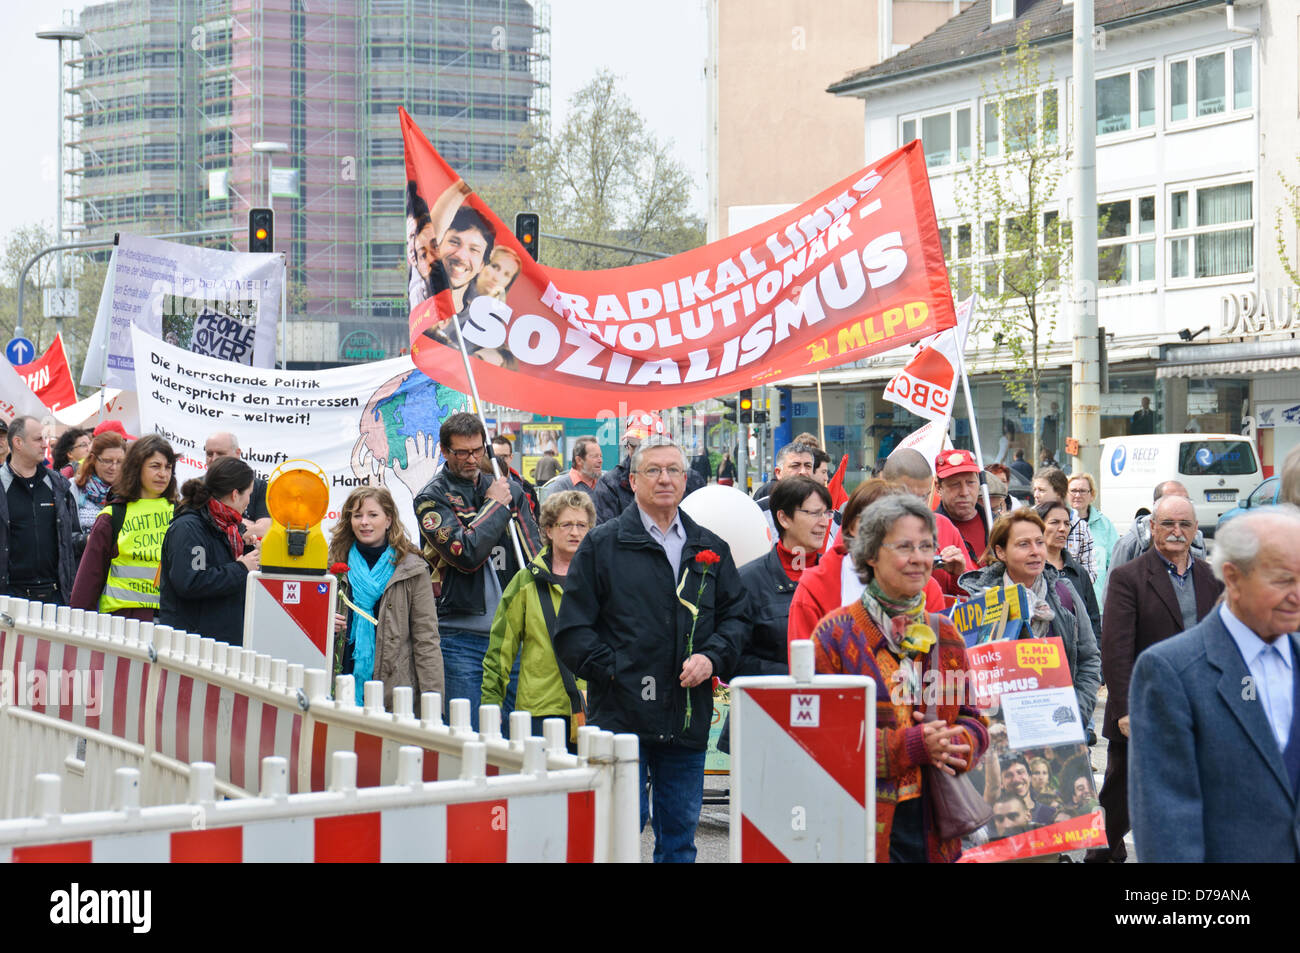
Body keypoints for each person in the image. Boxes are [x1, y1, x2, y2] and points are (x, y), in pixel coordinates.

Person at [554, 436, 747, 863]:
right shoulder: (602, 546)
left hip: (686, 717)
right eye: (653, 470)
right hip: (621, 716)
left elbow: (737, 619)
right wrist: (616, 671)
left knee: (679, 839)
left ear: (685, 480)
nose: (664, 479)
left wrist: (711, 657)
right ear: (633, 480)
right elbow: (572, 632)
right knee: (618, 835)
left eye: (673, 470)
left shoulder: (709, 548)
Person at [811, 495, 989, 862]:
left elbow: (974, 720)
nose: (920, 558)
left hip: (935, 827)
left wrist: (955, 743)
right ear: (870, 555)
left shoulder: (945, 634)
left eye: (926, 546)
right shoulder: (834, 636)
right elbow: (822, 744)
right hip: (860, 828)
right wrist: (912, 745)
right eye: (905, 547)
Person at [1129, 506, 1300, 862]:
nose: (1297, 594)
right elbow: (1167, 826)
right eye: (1283, 579)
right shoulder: (1171, 671)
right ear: (1233, 579)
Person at [1090, 493, 1223, 863]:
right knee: (1122, 795)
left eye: (1185, 524)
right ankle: (1099, 855)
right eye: (1168, 524)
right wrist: (1124, 711)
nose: (1176, 531)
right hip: (1142, 709)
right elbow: (1116, 649)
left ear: (1195, 531)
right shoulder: (1128, 577)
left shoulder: (1212, 578)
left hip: (1197, 708)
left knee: (1194, 793)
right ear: (1152, 527)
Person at [413, 413, 541, 729]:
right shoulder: (431, 498)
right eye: (462, 452)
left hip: (512, 633)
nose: (471, 459)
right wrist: (495, 506)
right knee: (467, 733)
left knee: (518, 735)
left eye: (477, 450)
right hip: (460, 637)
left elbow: (534, 556)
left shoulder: (510, 490)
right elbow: (466, 553)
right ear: (445, 451)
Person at [959, 510, 1102, 732]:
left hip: (1060, 726)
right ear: (1001, 552)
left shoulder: (1064, 593)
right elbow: (968, 672)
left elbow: (1089, 659)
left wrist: (1076, 714)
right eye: (1023, 544)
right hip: (1001, 732)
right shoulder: (981, 601)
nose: (1035, 551)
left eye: (1039, 542)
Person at [483, 490, 594, 745]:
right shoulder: (525, 582)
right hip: (540, 711)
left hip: (593, 709)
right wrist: (491, 702)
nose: (575, 532)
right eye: (566, 524)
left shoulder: (602, 580)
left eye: (582, 525)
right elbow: (500, 651)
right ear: (549, 530)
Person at [787, 479, 946, 647]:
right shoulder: (815, 587)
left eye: (926, 546)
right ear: (853, 527)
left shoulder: (927, 588)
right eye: (875, 523)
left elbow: (942, 657)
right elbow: (804, 658)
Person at [329, 486, 442, 710]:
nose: (364, 522)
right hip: (340, 683)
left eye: (373, 515)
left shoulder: (412, 568)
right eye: (357, 515)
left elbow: (426, 638)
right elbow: (308, 623)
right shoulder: (331, 564)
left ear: (388, 520)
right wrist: (323, 623)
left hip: (394, 690)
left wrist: (433, 701)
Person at [70, 434, 178, 620]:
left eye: (168, 467)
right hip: (121, 621)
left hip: (170, 621)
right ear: (136, 467)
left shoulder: (181, 514)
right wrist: (78, 624)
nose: (163, 474)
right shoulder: (112, 516)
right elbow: (89, 579)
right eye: (155, 466)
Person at [158, 456, 262, 644]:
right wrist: (241, 568)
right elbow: (191, 581)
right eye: (249, 494)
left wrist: (247, 549)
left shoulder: (228, 528)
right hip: (192, 642)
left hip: (217, 640)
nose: (249, 501)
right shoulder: (189, 528)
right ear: (235, 494)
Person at [736, 476, 830, 679]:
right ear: (784, 518)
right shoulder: (748, 581)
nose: (824, 523)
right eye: (815, 513)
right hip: (772, 695)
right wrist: (796, 678)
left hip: (834, 694)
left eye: (826, 513)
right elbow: (736, 658)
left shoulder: (837, 575)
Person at [0, 416, 79, 605]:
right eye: (38, 439)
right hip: (9, 596)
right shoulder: (2, 484)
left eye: (45, 438)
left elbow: (72, 536)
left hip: (55, 596)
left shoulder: (58, 485)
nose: (45, 445)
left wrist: (89, 539)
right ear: (18, 442)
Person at [881, 449, 974, 596]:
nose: (918, 507)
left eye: (924, 497)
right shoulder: (868, 533)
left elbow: (967, 598)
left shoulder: (943, 526)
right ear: (886, 491)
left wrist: (958, 574)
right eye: (910, 498)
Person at [591, 413, 705, 525]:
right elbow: (604, 533)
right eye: (634, 445)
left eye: (647, 446)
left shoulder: (692, 481)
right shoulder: (610, 485)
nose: (639, 453)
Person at [1037, 501, 1101, 637]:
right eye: (1054, 522)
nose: (1062, 529)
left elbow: (1093, 618)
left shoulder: (1078, 572)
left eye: (1066, 523)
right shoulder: (1033, 570)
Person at [1110, 480, 1208, 568]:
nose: (1177, 532)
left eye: (1186, 501)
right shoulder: (1129, 544)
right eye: (1171, 501)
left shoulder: (1196, 540)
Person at [1031, 466, 1096, 581]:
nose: (1036, 495)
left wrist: (1070, 587)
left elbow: (1090, 571)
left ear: (1058, 493)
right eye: (1035, 489)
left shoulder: (1080, 526)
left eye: (1041, 490)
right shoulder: (1027, 521)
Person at [204, 431, 272, 541]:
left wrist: (230, 524)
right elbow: (204, 528)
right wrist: (243, 524)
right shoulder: (198, 487)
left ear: (237, 453)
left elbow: (265, 530)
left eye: (221, 454)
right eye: (209, 454)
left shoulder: (259, 486)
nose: (214, 459)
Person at [1067, 472, 1117, 607]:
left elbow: (1115, 564)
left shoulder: (1105, 525)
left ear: (1092, 495)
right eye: (1073, 491)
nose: (1078, 495)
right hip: (1068, 603)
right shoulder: (1059, 523)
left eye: (1083, 491)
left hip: (1098, 603)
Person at [934, 449, 989, 565]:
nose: (964, 492)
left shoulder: (997, 524)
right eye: (955, 484)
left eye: (970, 483)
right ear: (938, 487)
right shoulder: (929, 532)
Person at [72, 431, 127, 540]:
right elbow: (63, 535)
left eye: (119, 462)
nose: (114, 467)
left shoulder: (128, 491)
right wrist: (86, 540)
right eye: (107, 461)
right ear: (93, 459)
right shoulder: (73, 488)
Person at [755, 442, 816, 535]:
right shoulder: (760, 511)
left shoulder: (824, 512)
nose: (803, 472)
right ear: (778, 472)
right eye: (795, 466)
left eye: (808, 466)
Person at [540, 437, 602, 504]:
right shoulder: (560, 487)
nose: (600, 460)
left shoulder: (604, 484)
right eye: (595, 456)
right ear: (579, 460)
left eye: (600, 456)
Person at [491, 434, 539, 516]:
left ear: (511, 457)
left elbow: (536, 518)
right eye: (496, 456)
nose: (500, 460)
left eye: (504, 456)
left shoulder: (526, 488)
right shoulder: (482, 486)